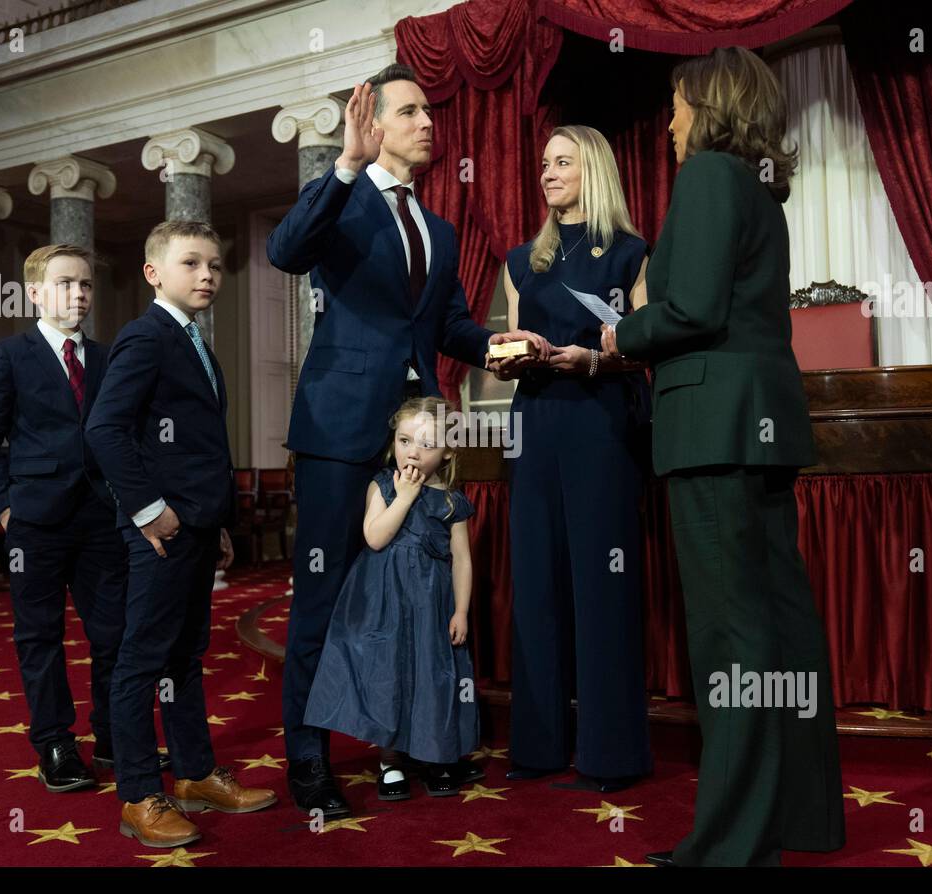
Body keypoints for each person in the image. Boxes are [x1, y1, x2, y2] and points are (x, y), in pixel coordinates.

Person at [266, 63, 548, 818]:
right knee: (321, 601)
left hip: (414, 440)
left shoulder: (441, 226)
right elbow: (285, 252)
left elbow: (445, 326)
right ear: (375, 123)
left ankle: (418, 743)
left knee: (415, 599)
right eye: (413, 111)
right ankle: (307, 759)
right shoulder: (344, 199)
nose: (429, 123)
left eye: (430, 112)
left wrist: (497, 344)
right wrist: (346, 164)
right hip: (336, 430)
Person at [603, 47, 846, 866]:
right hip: (762, 426)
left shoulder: (708, 175)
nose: (668, 122)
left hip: (711, 429)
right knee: (782, 629)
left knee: (732, 642)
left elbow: (693, 309)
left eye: (675, 104)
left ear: (707, 106)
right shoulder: (762, 190)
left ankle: (731, 848)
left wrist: (619, 334)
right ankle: (801, 819)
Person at [85, 220, 276, 848]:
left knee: (185, 656)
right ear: (153, 273)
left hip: (195, 526)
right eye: (191, 263)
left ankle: (194, 774)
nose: (208, 276)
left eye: (216, 266)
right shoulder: (145, 337)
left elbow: (197, 446)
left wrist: (216, 522)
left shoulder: (195, 343)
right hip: (158, 532)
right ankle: (140, 795)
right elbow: (104, 431)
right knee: (141, 661)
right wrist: (147, 511)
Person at [494, 126, 653, 791]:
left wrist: (593, 358)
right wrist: (509, 356)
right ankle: (537, 744)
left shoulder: (632, 253)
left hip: (601, 424)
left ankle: (610, 753)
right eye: (543, 163)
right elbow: (498, 353)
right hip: (532, 425)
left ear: (593, 169)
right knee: (535, 585)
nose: (547, 172)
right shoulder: (519, 260)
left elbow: (650, 345)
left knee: (601, 586)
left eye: (562, 162)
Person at [0, 243, 159, 794]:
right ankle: (54, 742)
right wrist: (4, 505)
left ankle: (112, 735)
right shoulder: (10, 356)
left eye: (86, 285)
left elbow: (127, 436)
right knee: (39, 636)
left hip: (103, 517)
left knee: (114, 635)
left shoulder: (107, 358)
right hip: (36, 522)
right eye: (65, 283)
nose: (78, 294)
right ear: (35, 292)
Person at [303, 397, 477, 799]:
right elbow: (375, 537)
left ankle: (436, 757)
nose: (412, 451)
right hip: (385, 606)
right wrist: (404, 497)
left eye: (426, 443)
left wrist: (462, 610)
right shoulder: (382, 486)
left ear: (448, 450)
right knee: (389, 677)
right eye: (403, 440)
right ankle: (390, 760)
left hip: (433, 608)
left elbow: (462, 561)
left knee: (433, 678)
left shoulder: (452, 501)